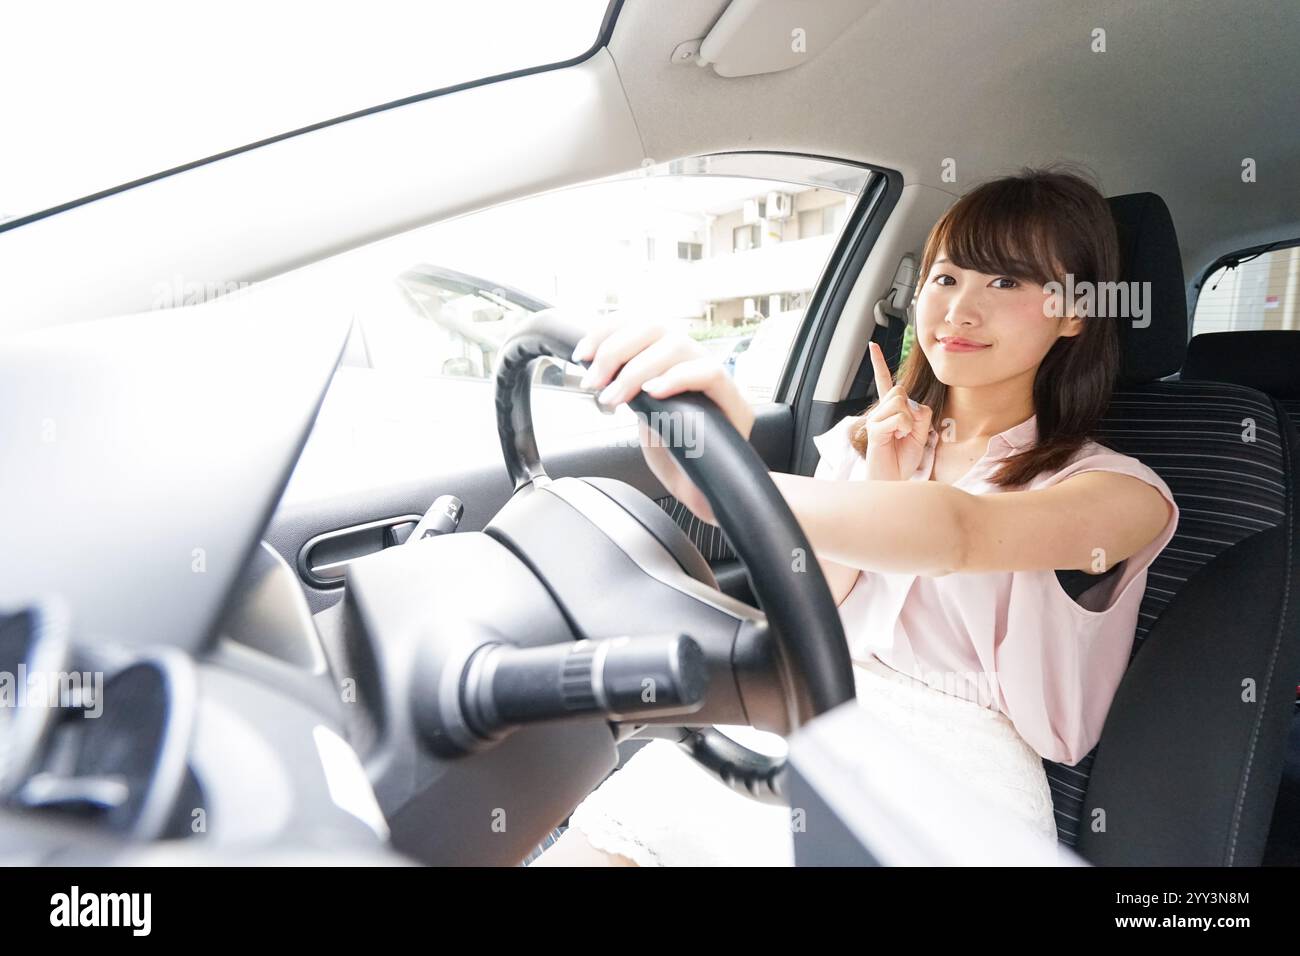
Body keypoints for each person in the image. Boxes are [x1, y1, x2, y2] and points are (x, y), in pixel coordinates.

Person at [529, 165, 1180, 867]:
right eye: (945, 277)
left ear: (1076, 312)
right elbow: (816, 600)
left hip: (962, 768)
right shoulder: (863, 441)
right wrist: (870, 475)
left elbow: (956, 533)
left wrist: (724, 482)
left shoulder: (1120, 494)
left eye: (1006, 282)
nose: (960, 309)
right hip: (808, 710)